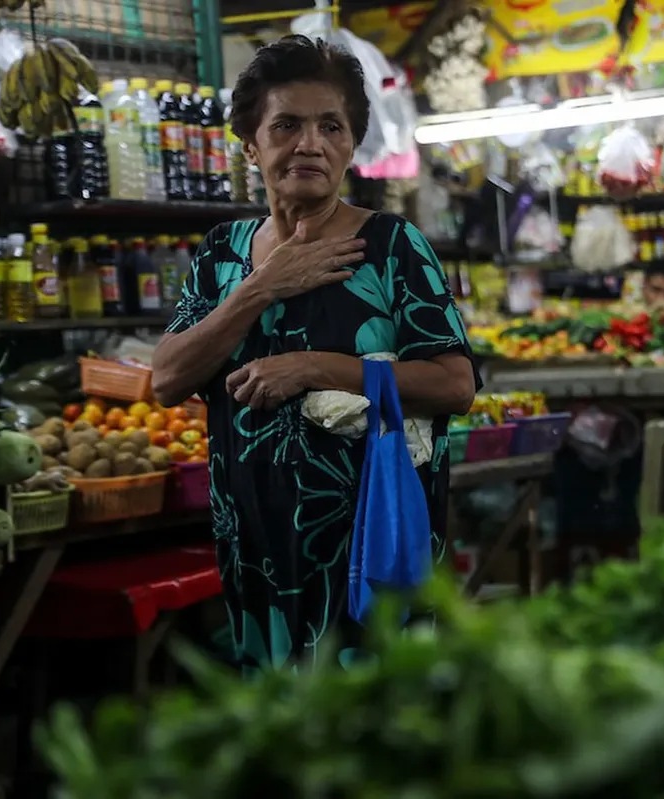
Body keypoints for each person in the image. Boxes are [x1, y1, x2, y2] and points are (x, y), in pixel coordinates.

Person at [151, 35, 478, 670]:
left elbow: (455, 384)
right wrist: (260, 288)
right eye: (286, 125)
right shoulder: (223, 254)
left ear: (352, 144)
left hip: (367, 546)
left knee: (371, 729)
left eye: (331, 126)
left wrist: (316, 369)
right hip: (255, 546)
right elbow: (166, 378)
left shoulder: (390, 247)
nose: (310, 143)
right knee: (280, 736)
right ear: (251, 144)